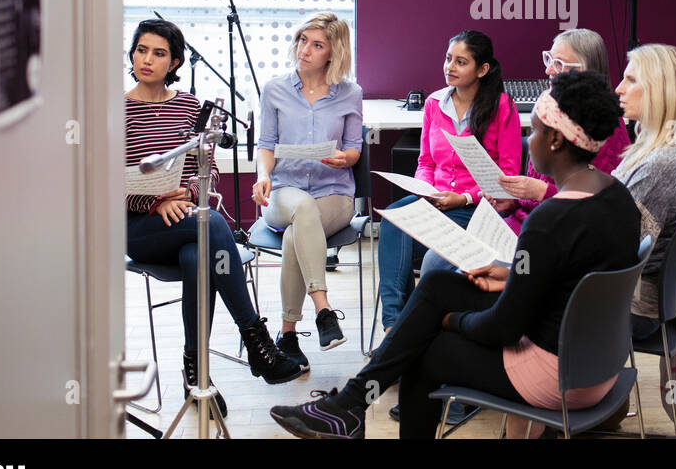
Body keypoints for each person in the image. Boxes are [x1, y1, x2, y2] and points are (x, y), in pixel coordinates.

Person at [269, 70, 638, 439]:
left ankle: (348, 408)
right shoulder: (617, 198)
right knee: (437, 285)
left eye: (535, 131)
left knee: (425, 353)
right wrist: (512, 274)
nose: (529, 140)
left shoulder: (549, 220)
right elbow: (575, 274)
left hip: (558, 375)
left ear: (556, 140)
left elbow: (504, 327)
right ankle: (349, 406)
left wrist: (451, 321)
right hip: (598, 362)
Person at [124, 19, 304, 418]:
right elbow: (106, 183)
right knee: (213, 224)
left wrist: (187, 193)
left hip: (186, 216)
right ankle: (256, 341)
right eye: (141, 50)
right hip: (138, 227)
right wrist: (153, 203)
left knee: (197, 257)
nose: (147, 59)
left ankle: (196, 373)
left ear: (174, 62)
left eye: (158, 53)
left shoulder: (189, 106)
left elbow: (207, 167)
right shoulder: (116, 110)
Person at [375, 30, 521, 331]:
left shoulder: (502, 106)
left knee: (406, 252)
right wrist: (425, 189)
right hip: (435, 201)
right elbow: (425, 162)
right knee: (393, 220)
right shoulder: (433, 104)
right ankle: (395, 324)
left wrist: (464, 197)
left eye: (461, 62)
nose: (449, 67)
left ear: (482, 70)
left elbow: (507, 178)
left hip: (476, 207)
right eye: (448, 58)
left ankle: (400, 327)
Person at [251, 12, 362, 364]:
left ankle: (287, 337)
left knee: (295, 233)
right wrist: (262, 175)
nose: (305, 50)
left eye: (317, 45)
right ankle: (323, 308)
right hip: (284, 191)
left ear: (334, 52)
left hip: (335, 195)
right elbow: (265, 144)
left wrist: (345, 158)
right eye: (303, 41)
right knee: (301, 209)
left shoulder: (351, 93)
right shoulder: (275, 89)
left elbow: (354, 147)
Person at [612, 43, 676, 342]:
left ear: (659, 90)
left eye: (630, 80)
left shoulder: (661, 163)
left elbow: (617, 246)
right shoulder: (657, 150)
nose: (618, 89)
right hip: (631, 298)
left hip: (631, 308)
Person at [492, 28, 631, 233]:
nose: (549, 70)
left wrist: (541, 191)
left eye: (558, 63)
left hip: (554, 230)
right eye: (549, 59)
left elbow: (596, 207)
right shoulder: (552, 110)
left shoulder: (605, 127)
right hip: (529, 222)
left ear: (585, 70)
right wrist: (515, 200)